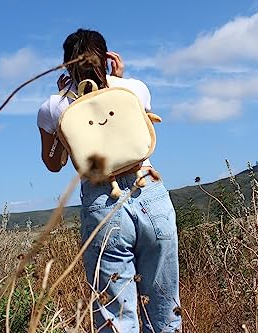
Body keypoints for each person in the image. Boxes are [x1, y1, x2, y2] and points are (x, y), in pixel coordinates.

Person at [37, 28, 181, 333]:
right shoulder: (134, 89)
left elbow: (53, 164)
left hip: (103, 205)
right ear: (107, 58)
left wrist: (63, 112)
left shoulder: (54, 106)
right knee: (166, 311)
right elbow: (136, 128)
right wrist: (120, 78)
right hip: (150, 194)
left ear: (66, 65)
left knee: (116, 319)